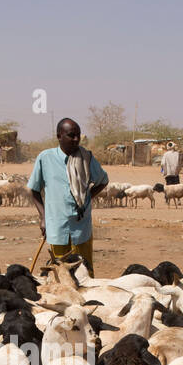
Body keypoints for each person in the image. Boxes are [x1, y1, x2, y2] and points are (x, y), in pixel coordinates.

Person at [28, 117, 108, 274]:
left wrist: (86, 198)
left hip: (81, 228)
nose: (76, 139)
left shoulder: (86, 158)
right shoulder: (46, 158)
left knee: (84, 273)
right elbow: (34, 189)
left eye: (78, 135)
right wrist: (43, 217)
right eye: (72, 135)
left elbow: (103, 181)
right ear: (59, 136)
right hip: (57, 226)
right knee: (60, 274)